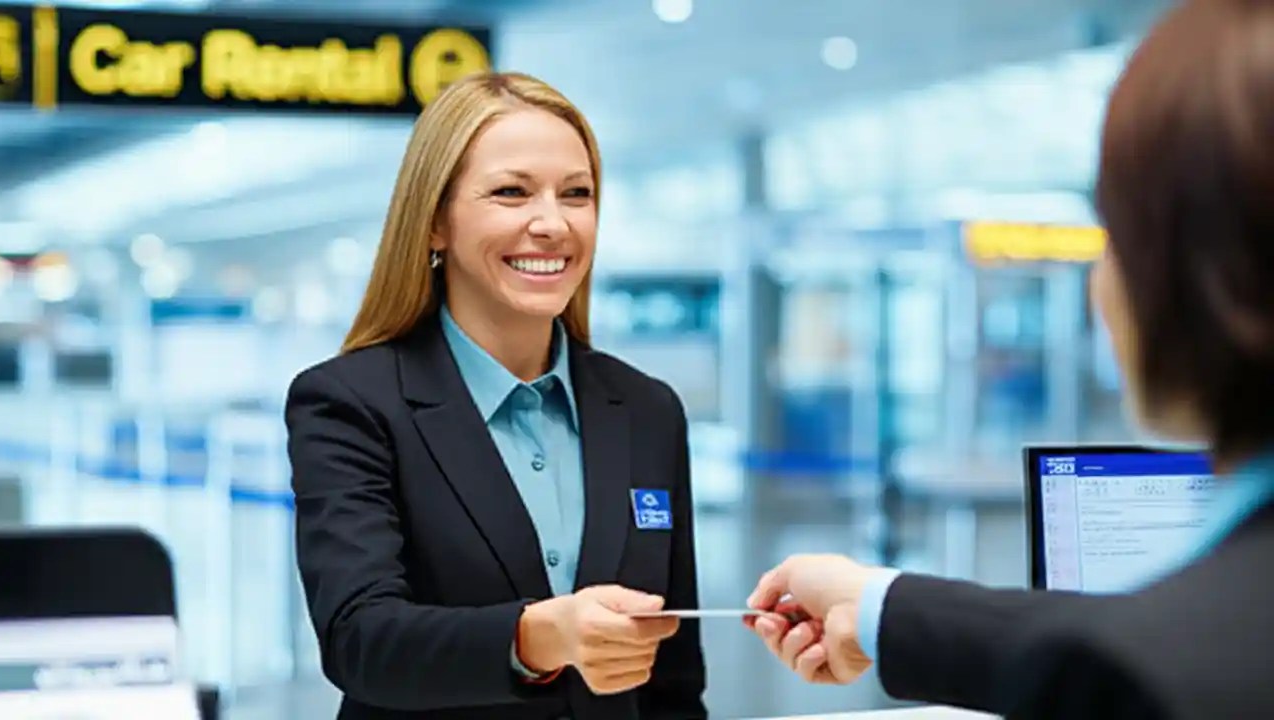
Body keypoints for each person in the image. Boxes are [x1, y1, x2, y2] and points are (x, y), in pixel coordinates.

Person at [745, 0, 1274, 717]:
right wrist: (878, 606)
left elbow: (1141, 655)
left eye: (1113, 232)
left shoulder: (1145, 677)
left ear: (1186, 274)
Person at [285, 71, 707, 720]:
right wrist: (537, 637)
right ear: (434, 224)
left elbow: (673, 683)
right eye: (511, 192)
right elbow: (361, 641)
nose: (552, 223)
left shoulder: (648, 410)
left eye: (577, 194)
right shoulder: (350, 405)